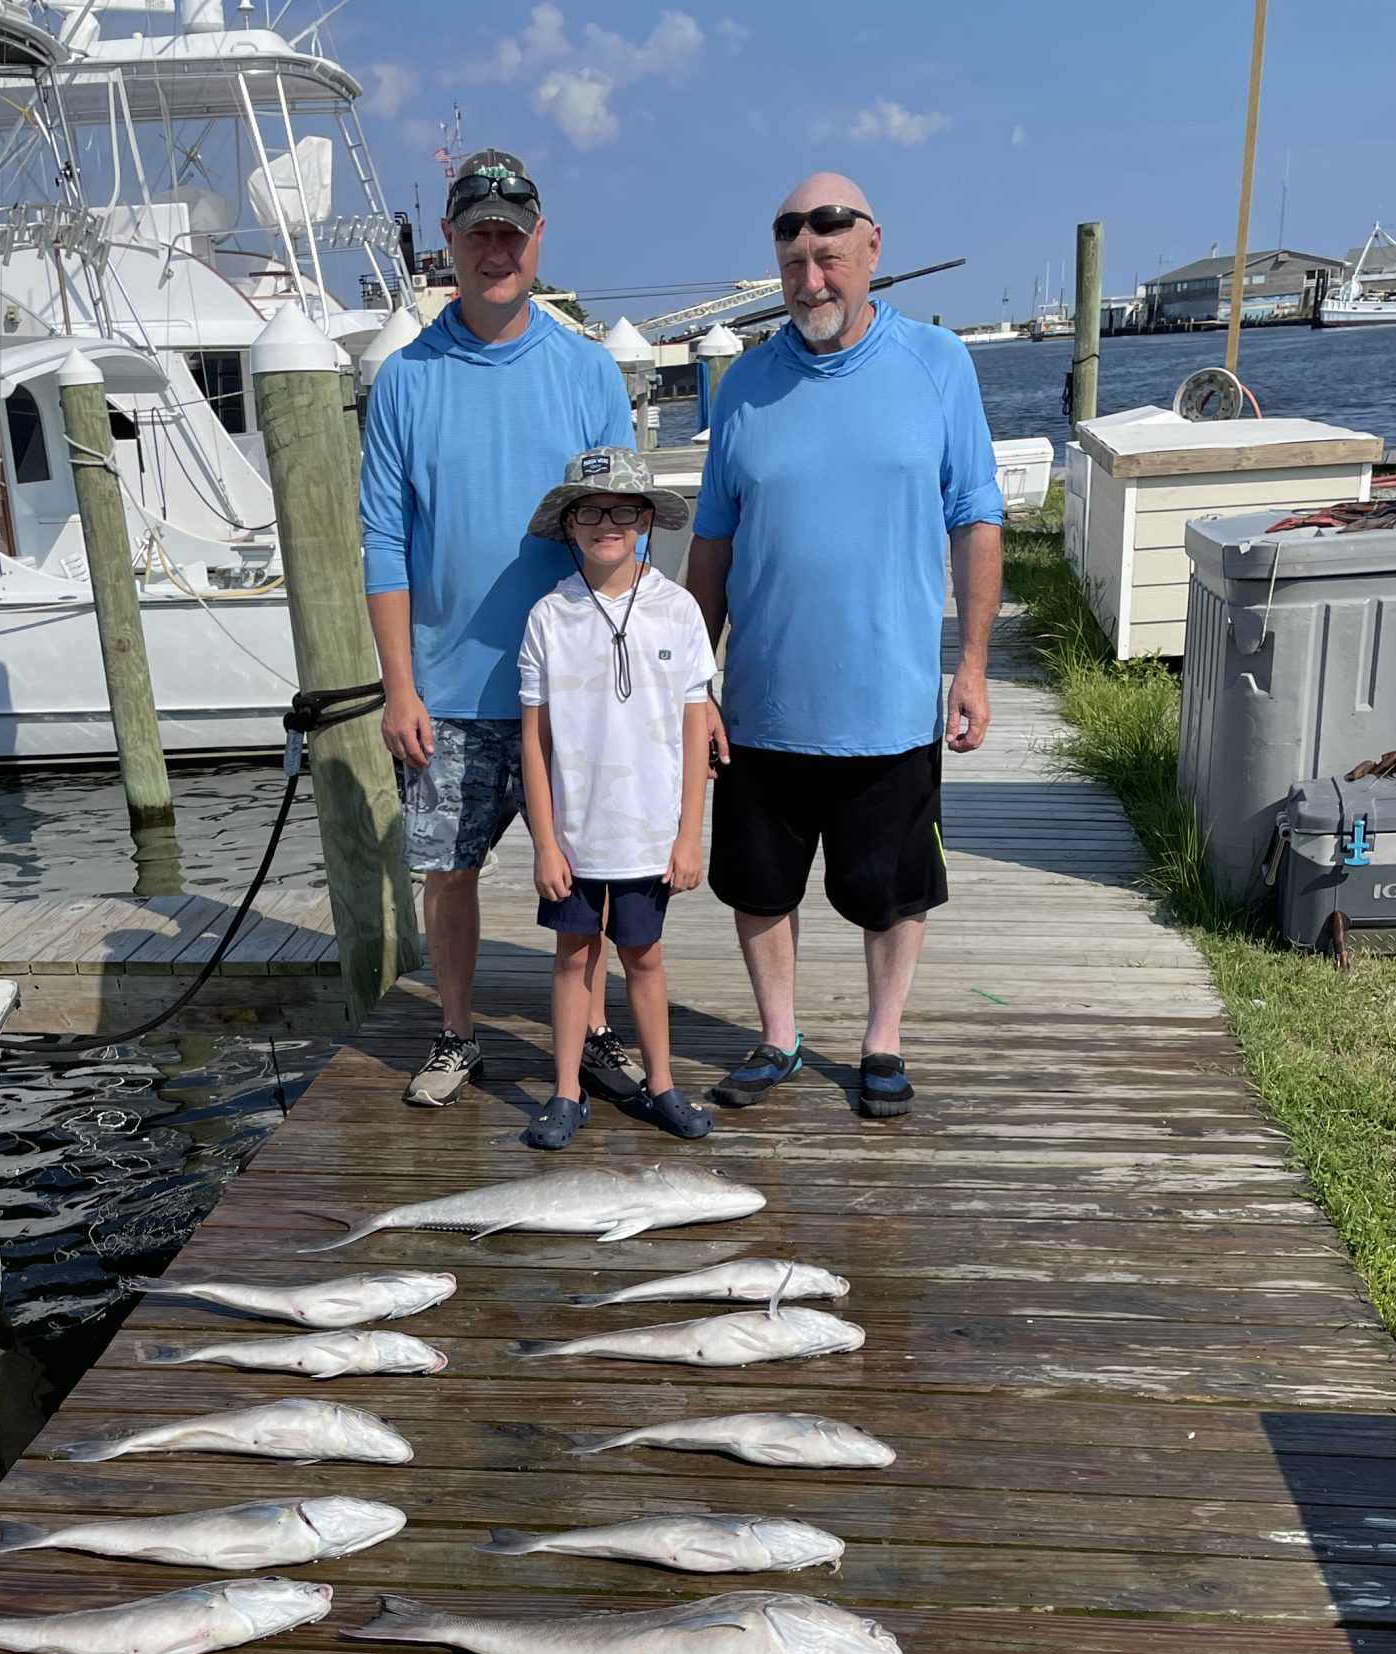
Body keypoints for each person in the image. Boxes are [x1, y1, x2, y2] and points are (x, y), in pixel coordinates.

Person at [685, 170, 1003, 1118]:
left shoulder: (939, 364)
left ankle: (882, 1040)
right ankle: (778, 1036)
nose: (810, 279)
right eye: (793, 264)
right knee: (758, 887)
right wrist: (697, 680)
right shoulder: (743, 385)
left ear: (872, 250)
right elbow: (711, 542)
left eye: (827, 258)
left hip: (893, 701)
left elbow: (977, 517)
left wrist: (976, 664)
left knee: (892, 890)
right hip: (764, 706)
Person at [359, 148, 637, 1111]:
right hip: (449, 687)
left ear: (537, 241)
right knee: (450, 872)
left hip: (571, 688)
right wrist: (399, 685)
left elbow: (623, 529)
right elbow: (384, 541)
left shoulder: (589, 368)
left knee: (590, 874)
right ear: (448, 241)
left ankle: (595, 1032)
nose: (494, 250)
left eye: (509, 234)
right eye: (476, 232)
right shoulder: (403, 379)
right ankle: (458, 1031)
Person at [517, 449, 716, 1150]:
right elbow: (534, 742)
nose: (609, 523)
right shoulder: (548, 616)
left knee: (645, 956)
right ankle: (566, 1092)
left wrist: (690, 835)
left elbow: (696, 733)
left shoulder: (679, 609)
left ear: (647, 522)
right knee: (575, 955)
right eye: (592, 510)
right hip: (574, 832)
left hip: (650, 831)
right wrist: (545, 841)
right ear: (569, 524)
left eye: (625, 510)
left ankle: (661, 1084)